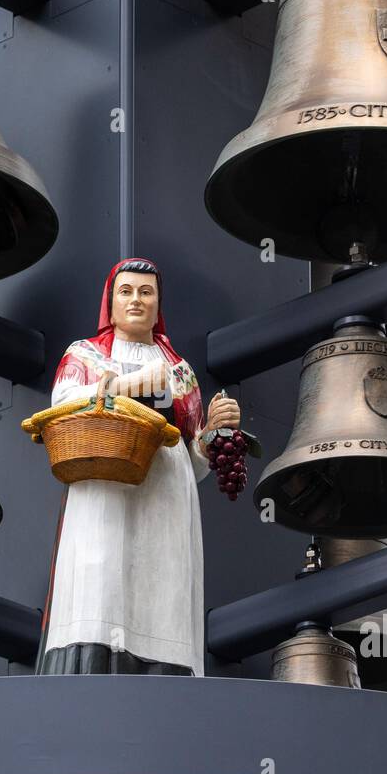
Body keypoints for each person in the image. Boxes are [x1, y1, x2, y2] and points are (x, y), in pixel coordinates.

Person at [36, 258, 240, 676]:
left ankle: (163, 668)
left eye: (146, 292)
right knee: (100, 574)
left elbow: (193, 456)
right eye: (125, 292)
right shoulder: (86, 354)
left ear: (158, 303)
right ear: (109, 303)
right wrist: (128, 386)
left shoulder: (180, 371)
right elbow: (62, 407)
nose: (136, 300)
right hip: (103, 487)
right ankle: (92, 666)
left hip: (165, 492)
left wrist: (212, 433)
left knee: (162, 582)